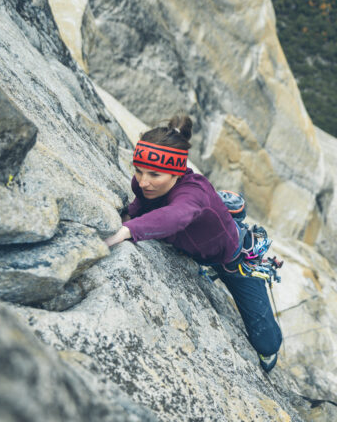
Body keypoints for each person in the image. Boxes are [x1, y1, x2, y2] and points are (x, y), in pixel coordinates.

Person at [104, 115, 282, 372]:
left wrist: (126, 231)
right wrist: (129, 214)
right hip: (198, 244)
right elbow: (142, 203)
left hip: (234, 257)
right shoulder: (146, 184)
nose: (143, 181)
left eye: (154, 174)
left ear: (177, 172)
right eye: (138, 170)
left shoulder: (192, 194)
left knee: (266, 343)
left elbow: (176, 215)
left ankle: (269, 351)